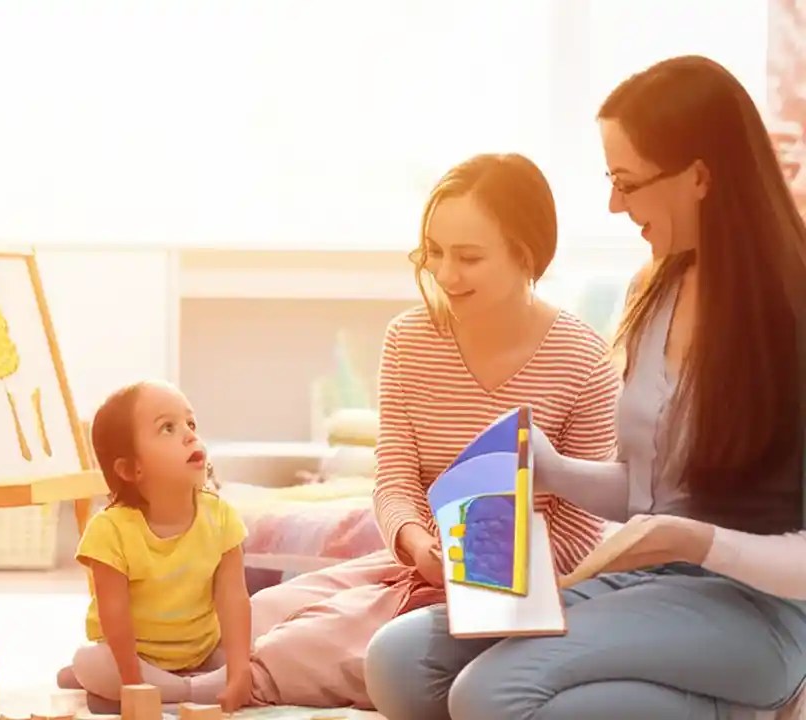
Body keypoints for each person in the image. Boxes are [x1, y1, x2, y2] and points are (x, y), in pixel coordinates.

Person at [365, 55, 806, 720]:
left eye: (627, 182)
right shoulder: (653, 292)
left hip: (756, 609)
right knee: (400, 663)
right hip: (647, 585)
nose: (612, 204)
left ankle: (741, 704)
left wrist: (695, 541)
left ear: (700, 178)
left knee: (491, 694)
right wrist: (553, 467)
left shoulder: (791, 310)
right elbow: (642, 492)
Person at [173, 153, 624, 709]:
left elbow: (581, 536)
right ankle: (197, 670)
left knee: (296, 650)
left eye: (469, 257)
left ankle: (210, 690)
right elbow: (395, 479)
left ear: (524, 255)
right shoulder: (409, 340)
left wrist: (477, 569)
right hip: (413, 561)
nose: (444, 273)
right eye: (434, 252)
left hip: (512, 592)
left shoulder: (582, 360)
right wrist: (415, 541)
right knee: (237, 623)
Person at [56, 380, 253, 713]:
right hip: (135, 658)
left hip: (204, 651)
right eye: (168, 428)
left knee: (258, 644)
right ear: (131, 469)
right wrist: (133, 685)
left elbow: (233, 598)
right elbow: (113, 615)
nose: (190, 435)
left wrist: (239, 669)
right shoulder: (110, 530)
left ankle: (182, 688)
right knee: (91, 662)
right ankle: (185, 690)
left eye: (191, 424)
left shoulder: (221, 517)